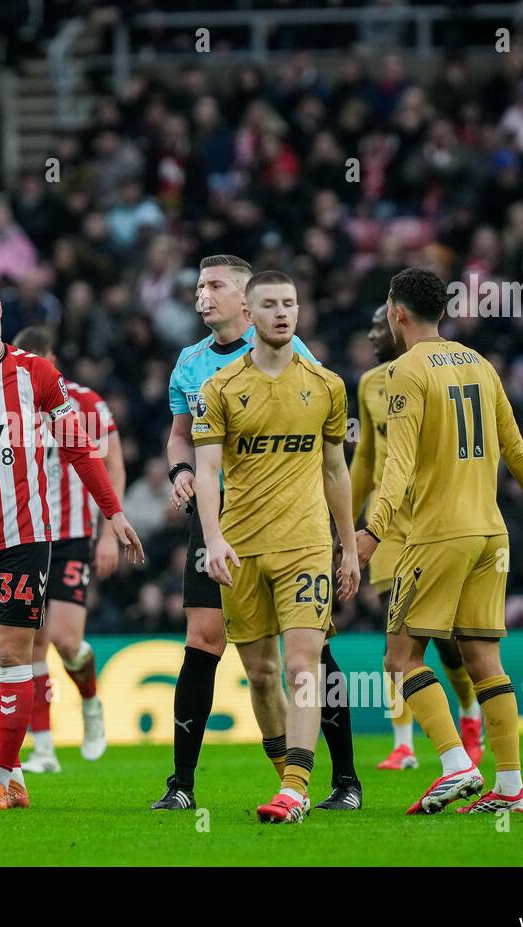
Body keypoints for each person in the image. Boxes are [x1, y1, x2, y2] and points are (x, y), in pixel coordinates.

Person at [0, 276, 144, 811]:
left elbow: (80, 450)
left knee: (18, 653)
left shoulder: (37, 372)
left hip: (27, 537)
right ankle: (13, 775)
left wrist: (114, 514)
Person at [153, 254, 361, 812]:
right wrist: (182, 475)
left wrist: (347, 537)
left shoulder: (303, 365)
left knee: (307, 655)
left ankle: (341, 777)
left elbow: (330, 450)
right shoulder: (192, 365)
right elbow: (182, 440)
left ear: (244, 300)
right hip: (220, 523)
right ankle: (185, 784)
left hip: (296, 528)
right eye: (198, 286)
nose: (202, 295)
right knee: (216, 647)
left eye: (214, 286)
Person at [355, 268, 523, 815]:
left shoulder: (405, 371)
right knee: (483, 660)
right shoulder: (479, 363)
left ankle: (455, 765)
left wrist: (372, 529)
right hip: (492, 533)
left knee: (400, 658)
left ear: (398, 313)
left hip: (439, 534)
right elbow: (515, 446)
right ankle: (510, 786)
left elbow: (394, 464)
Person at [352, 305, 483, 770]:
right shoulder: (369, 386)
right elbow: (366, 460)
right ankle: (404, 742)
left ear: (400, 322)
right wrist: (348, 527)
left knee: (446, 640)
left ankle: (469, 713)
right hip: (387, 525)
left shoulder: (438, 373)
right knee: (396, 629)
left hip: (434, 519)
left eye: (377, 324)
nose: (372, 333)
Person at [11, 325, 126, 771]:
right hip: (27, 536)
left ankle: (91, 704)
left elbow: (113, 466)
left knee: (64, 640)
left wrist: (109, 532)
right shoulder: (9, 405)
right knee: (32, 645)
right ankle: (43, 749)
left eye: (42, 358)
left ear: (53, 359)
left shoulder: (87, 403)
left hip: (75, 534)